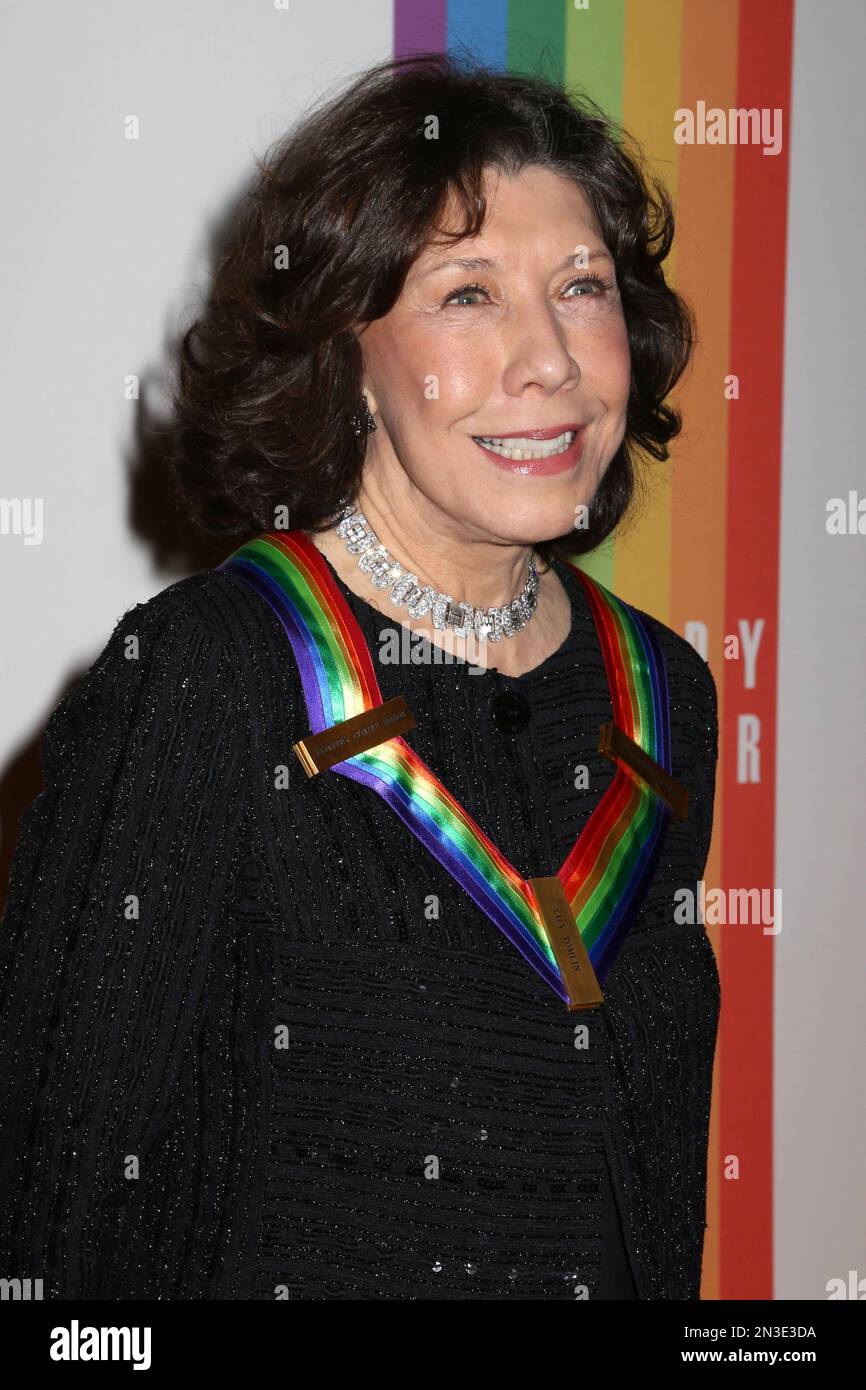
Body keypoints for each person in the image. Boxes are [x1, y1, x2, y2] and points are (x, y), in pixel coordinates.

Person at [0, 53, 718, 1300]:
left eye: (579, 286)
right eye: (466, 294)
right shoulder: (210, 677)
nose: (546, 359)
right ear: (350, 350)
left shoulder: (661, 696)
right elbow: (53, 1213)